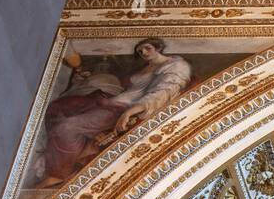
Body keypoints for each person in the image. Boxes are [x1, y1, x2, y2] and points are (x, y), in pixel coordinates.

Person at [38, 38, 192, 186]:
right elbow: (124, 88)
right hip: (110, 102)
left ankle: (57, 174)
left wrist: (129, 113)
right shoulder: (146, 68)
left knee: (66, 127)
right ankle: (64, 158)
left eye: (147, 48)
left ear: (158, 48)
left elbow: (163, 92)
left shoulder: (175, 66)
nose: (144, 52)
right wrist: (82, 79)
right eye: (140, 51)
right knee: (58, 108)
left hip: (121, 109)